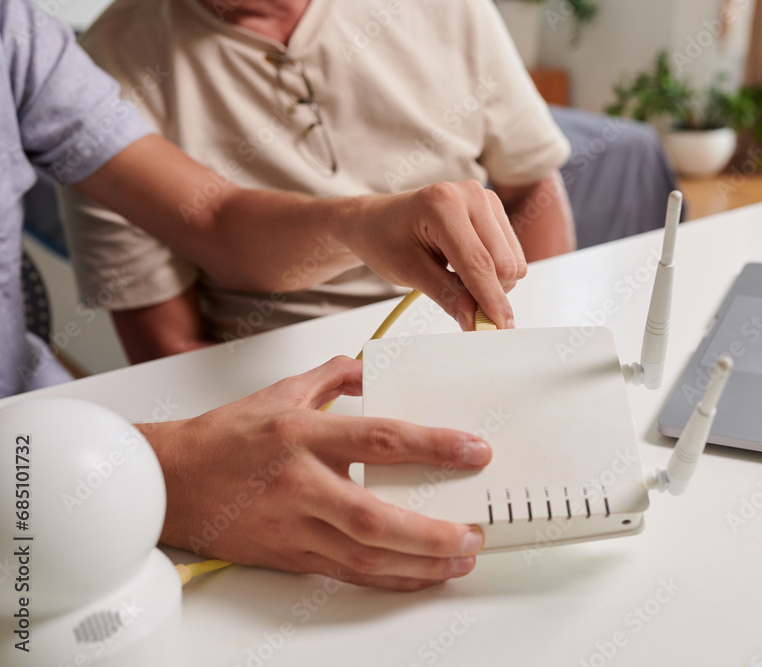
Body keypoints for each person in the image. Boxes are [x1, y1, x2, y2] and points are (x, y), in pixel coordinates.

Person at [3, 0, 518, 588]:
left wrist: (358, 221)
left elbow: (213, 218)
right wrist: (169, 476)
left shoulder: (16, 32)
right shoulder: (123, 46)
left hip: (44, 425)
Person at [61, 0, 574, 363]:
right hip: (285, 378)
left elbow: (530, 183)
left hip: (474, 350)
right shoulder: (103, 71)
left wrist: (527, 343)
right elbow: (171, 350)